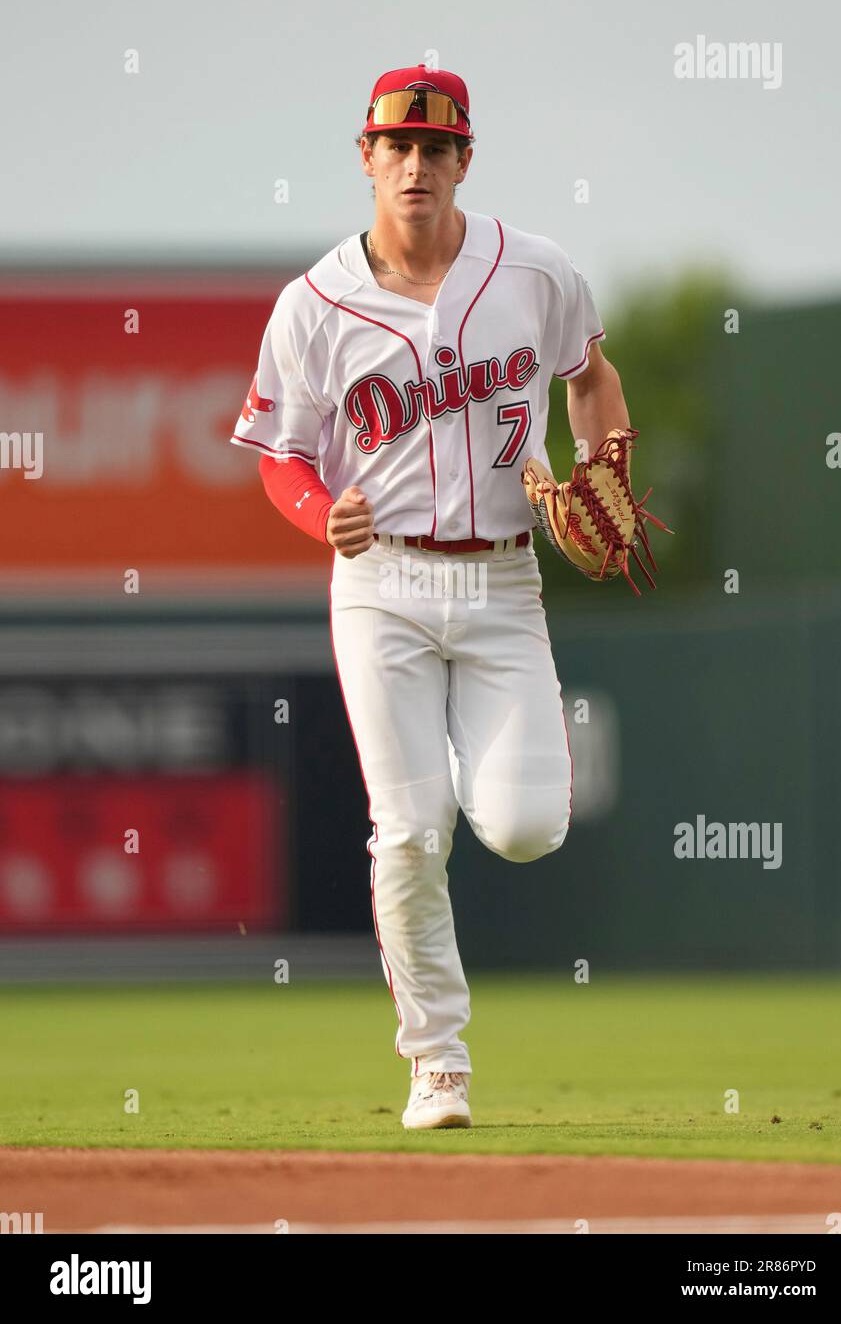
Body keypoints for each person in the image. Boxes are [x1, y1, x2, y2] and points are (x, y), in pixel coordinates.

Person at [231, 63, 631, 1130]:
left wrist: (603, 457)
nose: (416, 164)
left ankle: (460, 759)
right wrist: (320, 511)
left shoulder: (532, 271)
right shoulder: (312, 305)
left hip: (503, 580)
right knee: (407, 831)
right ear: (364, 156)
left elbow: (589, 376)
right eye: (396, 147)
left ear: (464, 158)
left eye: (436, 147)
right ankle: (436, 1065)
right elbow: (278, 455)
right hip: (381, 584)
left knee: (523, 826)